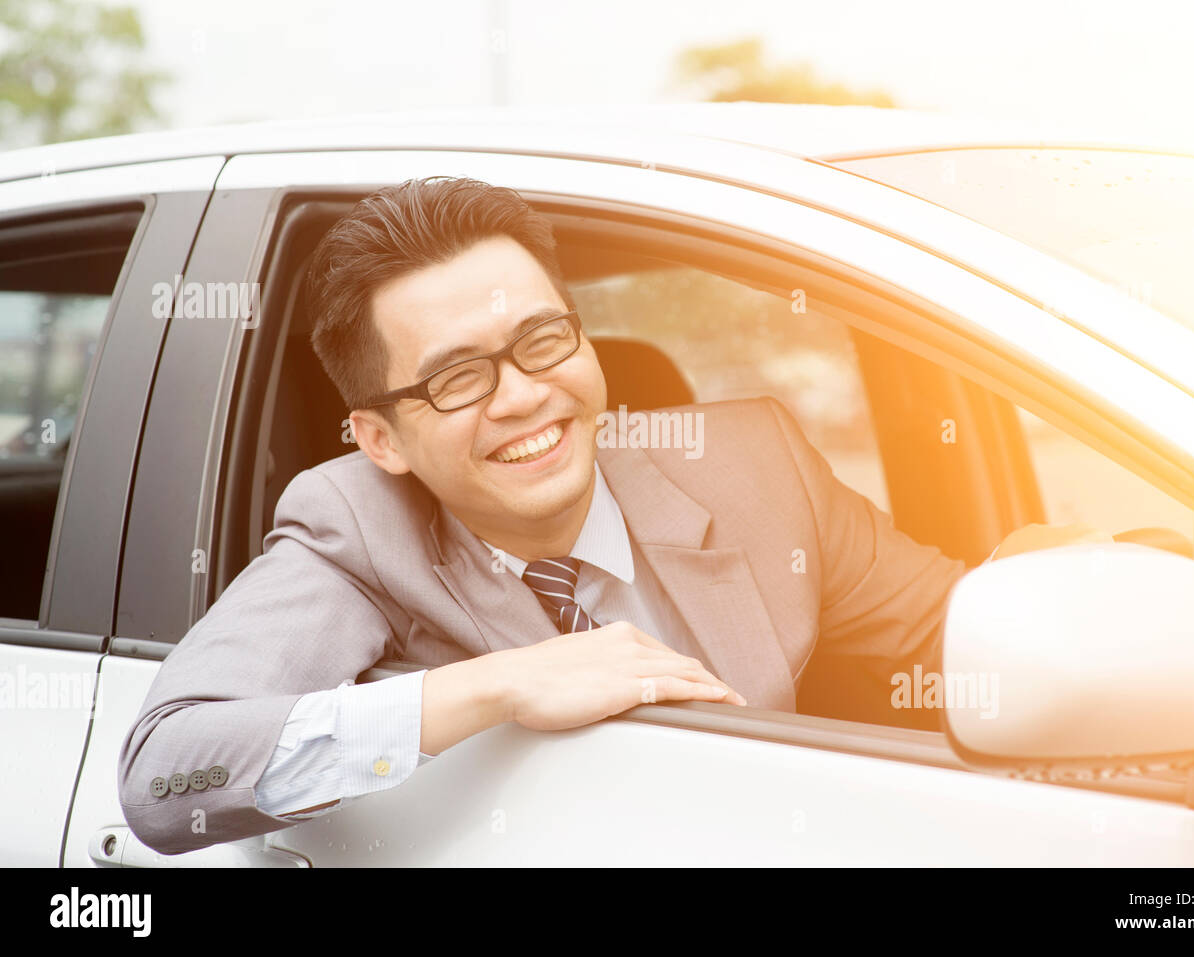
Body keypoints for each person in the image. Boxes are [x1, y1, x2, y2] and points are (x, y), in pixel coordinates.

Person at [117, 176, 1107, 854]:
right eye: (458, 377)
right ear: (381, 439)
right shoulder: (352, 526)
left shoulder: (754, 466)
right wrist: (500, 688)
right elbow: (163, 779)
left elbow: (953, 629)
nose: (522, 396)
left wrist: (1089, 582)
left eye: (543, 339)